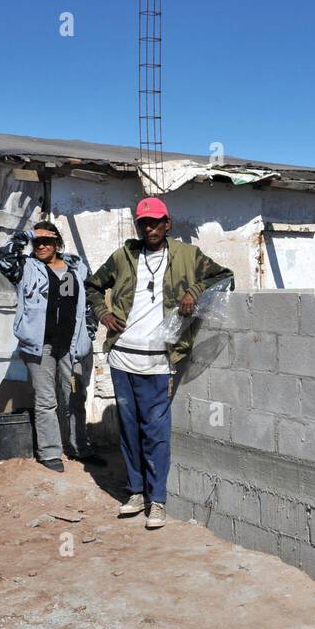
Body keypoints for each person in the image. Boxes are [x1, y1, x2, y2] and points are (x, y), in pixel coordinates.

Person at [85, 197, 232, 529]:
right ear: (138, 226)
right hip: (123, 358)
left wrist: (194, 291)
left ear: (168, 224)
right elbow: (93, 286)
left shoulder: (187, 256)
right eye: (143, 223)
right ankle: (135, 491)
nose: (149, 228)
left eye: (155, 222)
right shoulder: (124, 256)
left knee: (156, 433)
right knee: (129, 429)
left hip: (161, 362)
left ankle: (157, 500)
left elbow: (225, 277)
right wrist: (103, 313)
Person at [0, 220, 100, 472]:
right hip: (40, 347)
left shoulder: (76, 266)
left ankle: (78, 446)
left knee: (74, 396)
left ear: (57, 243)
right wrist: (27, 234)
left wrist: (90, 333)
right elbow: (1, 258)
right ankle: (50, 452)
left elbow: (91, 298)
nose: (41, 245)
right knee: (46, 400)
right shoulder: (25, 267)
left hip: (71, 346)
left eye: (46, 241)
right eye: (37, 241)